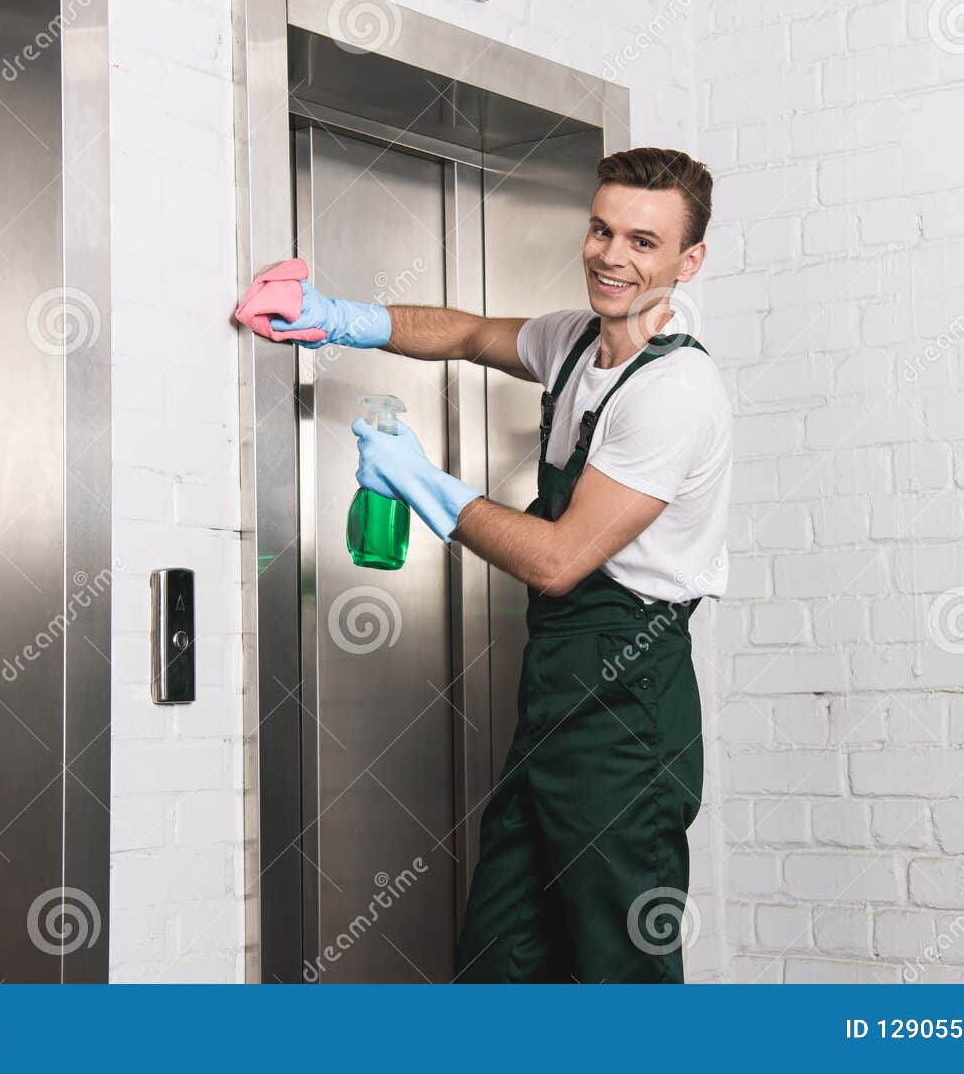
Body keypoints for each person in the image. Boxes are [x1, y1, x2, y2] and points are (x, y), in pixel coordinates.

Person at [246, 147, 732, 982]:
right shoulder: (576, 343)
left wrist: (423, 482)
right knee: (499, 957)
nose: (612, 257)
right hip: (556, 704)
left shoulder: (674, 391)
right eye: (602, 230)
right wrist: (341, 318)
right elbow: (470, 334)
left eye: (644, 242)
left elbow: (559, 560)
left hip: (629, 708)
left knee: (619, 971)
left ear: (689, 262)